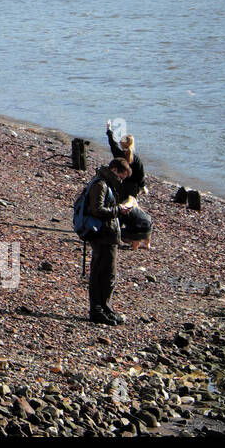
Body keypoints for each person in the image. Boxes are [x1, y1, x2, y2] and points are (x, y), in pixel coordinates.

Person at [85, 157, 133, 326]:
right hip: (103, 236)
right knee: (103, 274)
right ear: (114, 170)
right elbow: (97, 210)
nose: (120, 180)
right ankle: (98, 310)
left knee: (107, 274)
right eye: (121, 177)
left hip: (107, 235)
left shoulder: (105, 184)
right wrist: (119, 210)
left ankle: (105, 309)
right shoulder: (100, 184)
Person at [106, 124, 152, 248]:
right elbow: (141, 175)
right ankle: (146, 239)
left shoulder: (120, 155)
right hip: (134, 189)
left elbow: (112, 144)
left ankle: (125, 233)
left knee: (122, 209)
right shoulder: (136, 159)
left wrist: (109, 131)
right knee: (133, 210)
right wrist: (142, 187)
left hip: (122, 186)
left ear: (122, 144)